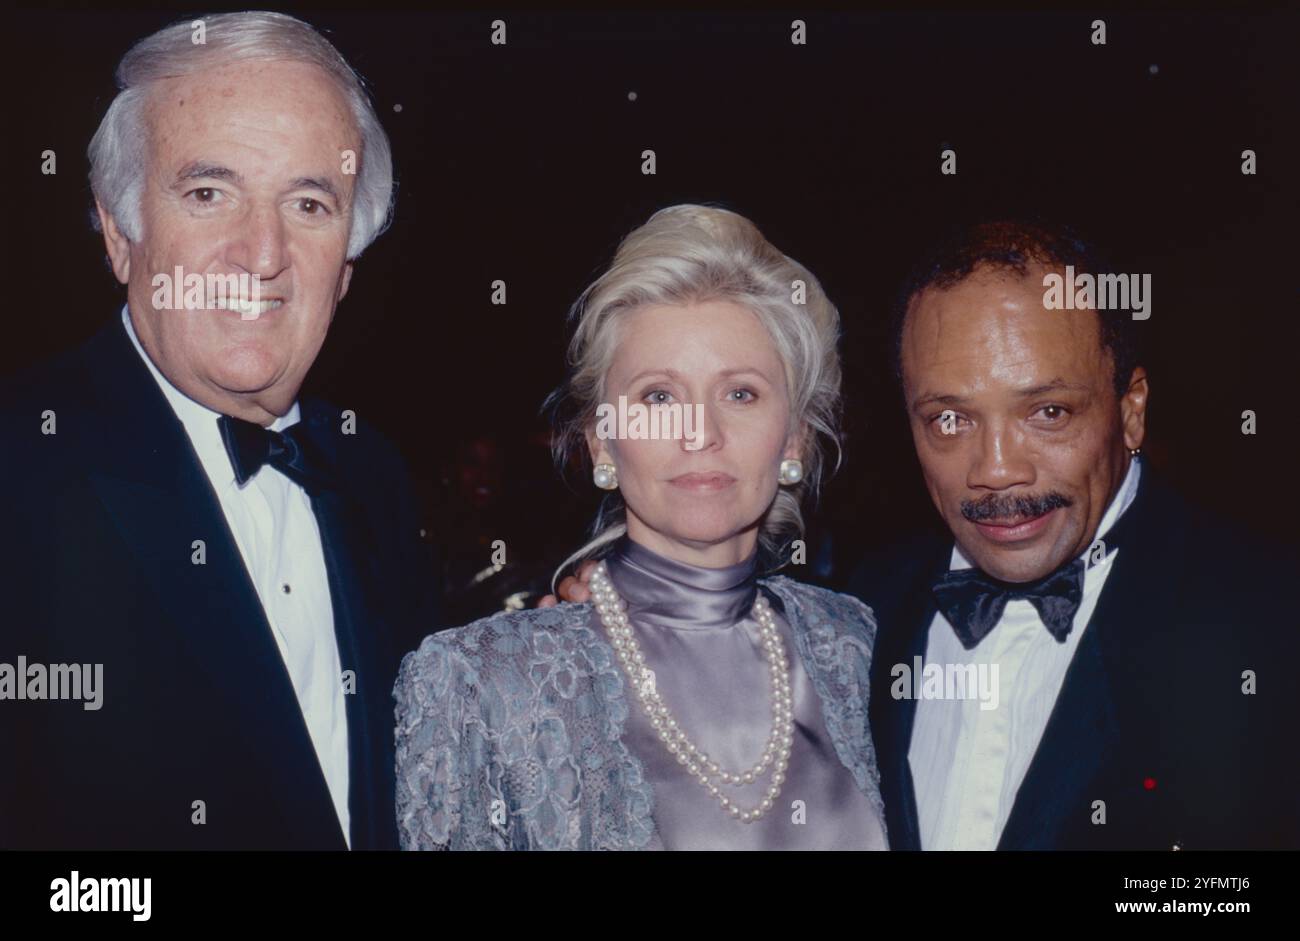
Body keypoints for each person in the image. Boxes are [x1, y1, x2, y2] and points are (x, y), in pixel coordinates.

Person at [0, 12, 436, 849]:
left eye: (309, 203)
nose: (262, 252)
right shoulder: (19, 471)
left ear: (345, 268)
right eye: (209, 193)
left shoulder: (377, 482)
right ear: (120, 233)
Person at [394, 204, 888, 849]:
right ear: (602, 444)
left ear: (792, 436)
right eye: (659, 396)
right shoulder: (477, 681)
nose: (700, 433)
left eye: (740, 393)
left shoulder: (859, 648)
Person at [856, 220, 1299, 850]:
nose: (997, 470)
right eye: (949, 420)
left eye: (1048, 412)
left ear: (1130, 410)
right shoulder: (855, 616)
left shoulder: (1272, 624)